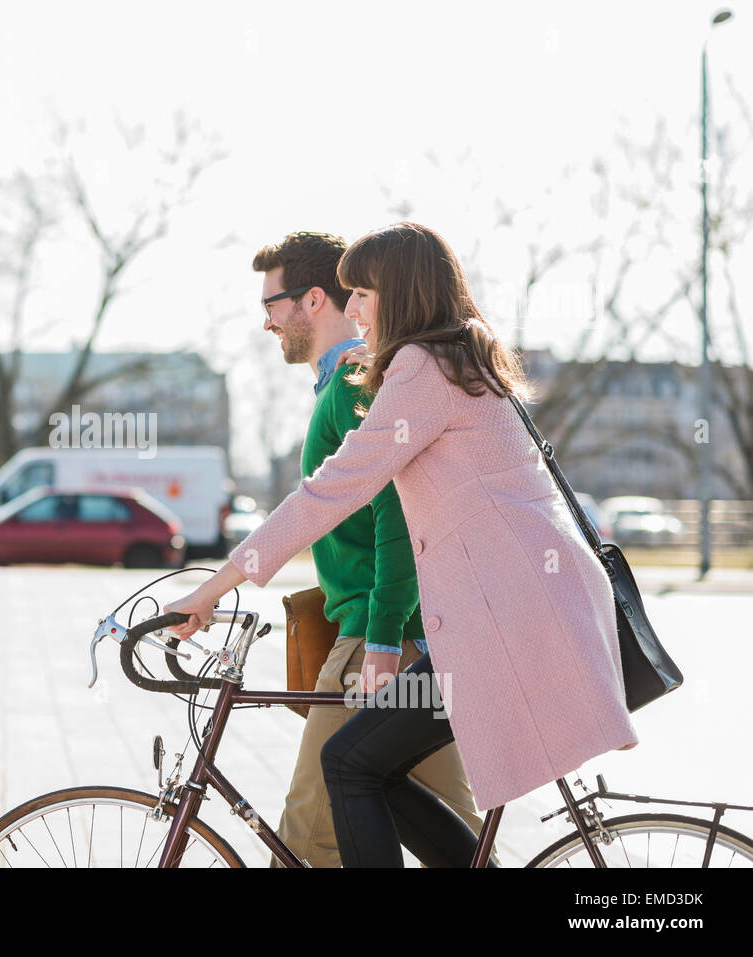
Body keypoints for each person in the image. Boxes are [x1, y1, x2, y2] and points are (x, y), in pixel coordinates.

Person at [165, 222, 637, 867]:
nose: (352, 306)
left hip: (504, 618)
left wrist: (211, 589)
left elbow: (329, 493)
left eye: (362, 292)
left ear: (401, 292)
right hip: (520, 609)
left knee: (349, 764)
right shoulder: (453, 356)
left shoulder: (421, 369)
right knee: (373, 770)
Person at [251, 231, 490, 868]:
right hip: (408, 638)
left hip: (379, 639)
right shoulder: (352, 384)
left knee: (308, 843)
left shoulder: (359, 383)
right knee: (458, 841)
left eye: (273, 304)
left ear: (313, 300)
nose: (267, 321)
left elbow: (394, 523)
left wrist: (380, 641)